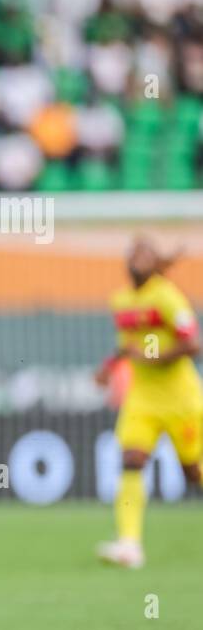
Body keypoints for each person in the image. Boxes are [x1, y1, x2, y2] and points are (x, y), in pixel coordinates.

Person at [95, 237, 201, 568]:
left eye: (144, 254)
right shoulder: (121, 300)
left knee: (193, 472)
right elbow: (127, 345)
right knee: (131, 460)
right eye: (133, 253)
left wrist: (152, 358)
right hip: (142, 398)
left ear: (155, 261)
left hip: (180, 398)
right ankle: (129, 545)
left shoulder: (168, 296)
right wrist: (108, 367)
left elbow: (192, 344)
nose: (137, 259)